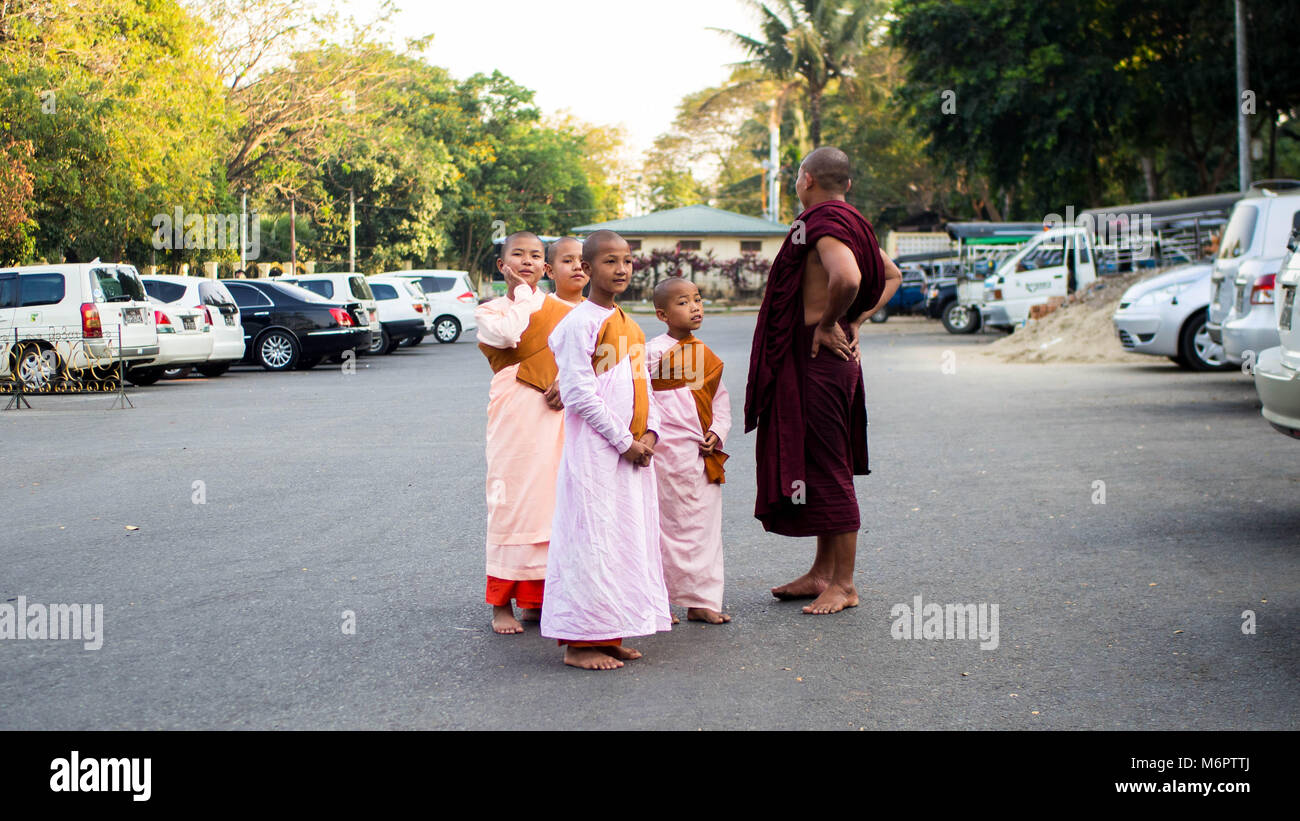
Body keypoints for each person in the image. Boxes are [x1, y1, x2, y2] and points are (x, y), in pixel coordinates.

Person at [744, 146, 902, 615]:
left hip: (817, 361)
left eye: (797, 177)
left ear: (805, 179)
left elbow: (849, 278)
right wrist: (857, 321)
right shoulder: (848, 221)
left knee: (830, 467)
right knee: (816, 464)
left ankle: (846, 584)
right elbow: (891, 275)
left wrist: (831, 321)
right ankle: (821, 573)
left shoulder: (822, 223)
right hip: (829, 361)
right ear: (847, 184)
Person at [541, 229, 671, 670]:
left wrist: (650, 433)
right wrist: (623, 441)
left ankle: (609, 631)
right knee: (591, 540)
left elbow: (643, 386)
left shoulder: (629, 323)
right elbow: (578, 393)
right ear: (587, 268)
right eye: (610, 261)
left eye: (628, 261)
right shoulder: (579, 322)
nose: (621, 269)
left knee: (622, 540)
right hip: (598, 454)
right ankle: (580, 643)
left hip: (633, 451)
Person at [475, 231, 575, 634]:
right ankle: (501, 604)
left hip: (553, 415)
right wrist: (522, 298)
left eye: (536, 256)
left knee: (549, 502)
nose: (528, 262)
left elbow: (579, 357)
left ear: (545, 267)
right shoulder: (491, 310)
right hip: (513, 416)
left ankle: (537, 598)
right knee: (511, 501)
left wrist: (567, 384)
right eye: (518, 255)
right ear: (502, 266)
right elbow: (507, 336)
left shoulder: (562, 309)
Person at [647, 277, 731, 625]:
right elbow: (641, 400)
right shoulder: (650, 352)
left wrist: (717, 432)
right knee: (661, 528)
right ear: (662, 314)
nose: (695, 307)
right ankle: (659, 600)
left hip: (700, 454)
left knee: (704, 527)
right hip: (663, 456)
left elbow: (720, 402)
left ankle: (702, 600)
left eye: (697, 299)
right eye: (683, 302)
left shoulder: (704, 354)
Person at [546, 237, 589, 305]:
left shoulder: (599, 310)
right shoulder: (539, 309)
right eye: (568, 261)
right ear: (550, 271)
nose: (578, 266)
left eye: (582, 261)